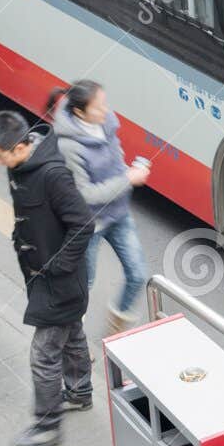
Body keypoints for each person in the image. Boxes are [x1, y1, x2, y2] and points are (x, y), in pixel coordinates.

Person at [0, 111, 95, 446]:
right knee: (72, 333)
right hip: (42, 275)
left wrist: (57, 267)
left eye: (1, 156)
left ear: (20, 146)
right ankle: (79, 392)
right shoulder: (20, 168)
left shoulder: (52, 175)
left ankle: (47, 427)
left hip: (58, 282)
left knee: (44, 355)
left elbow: (83, 224)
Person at [48, 81, 151, 334]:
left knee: (137, 275)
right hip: (89, 225)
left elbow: (115, 157)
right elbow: (84, 194)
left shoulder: (105, 123)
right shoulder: (68, 146)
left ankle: (116, 333)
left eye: (105, 103)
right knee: (84, 285)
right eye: (98, 107)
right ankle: (73, 340)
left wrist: (128, 169)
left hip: (118, 213)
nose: (106, 111)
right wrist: (127, 179)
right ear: (79, 113)